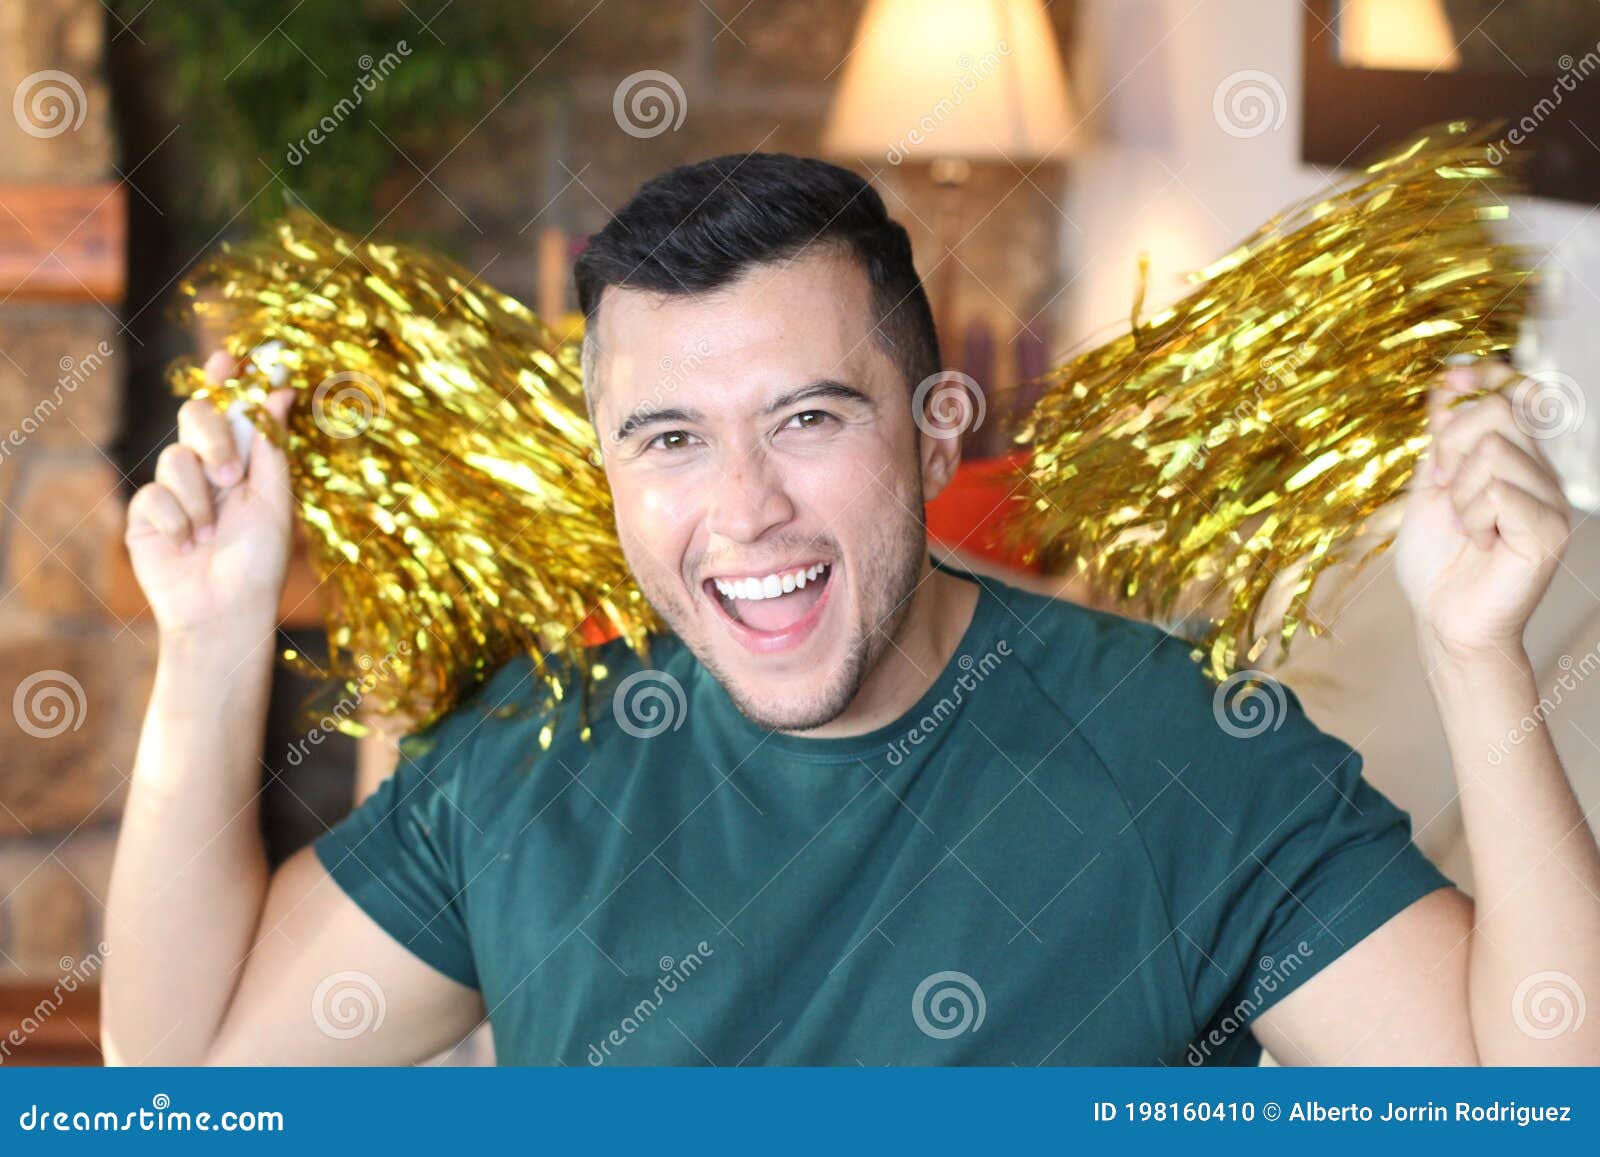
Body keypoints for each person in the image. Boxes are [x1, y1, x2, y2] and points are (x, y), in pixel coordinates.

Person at [105, 153, 1600, 1066]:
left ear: (938, 429)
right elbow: (176, 1076)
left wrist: (1478, 659)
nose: (745, 508)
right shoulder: (529, 761)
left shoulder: (1184, 747)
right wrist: (215, 637)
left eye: (811, 419)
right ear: (613, 475)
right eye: (672, 437)